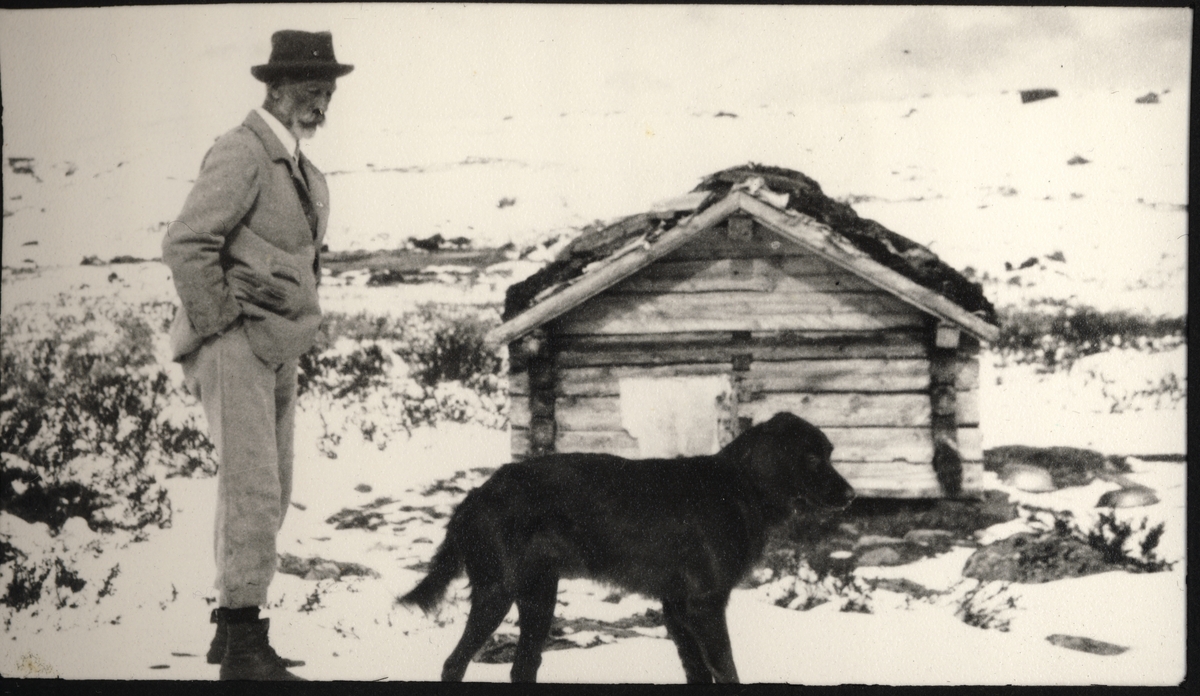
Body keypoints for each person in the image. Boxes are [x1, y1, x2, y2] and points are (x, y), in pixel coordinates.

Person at [162, 30, 353, 681]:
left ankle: (231, 631)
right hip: (238, 342)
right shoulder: (242, 152)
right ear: (276, 88)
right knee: (253, 488)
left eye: (328, 93)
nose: (321, 103)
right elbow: (187, 242)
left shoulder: (297, 167)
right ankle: (245, 647)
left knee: (272, 489)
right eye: (311, 90)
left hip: (277, 344)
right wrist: (222, 325)